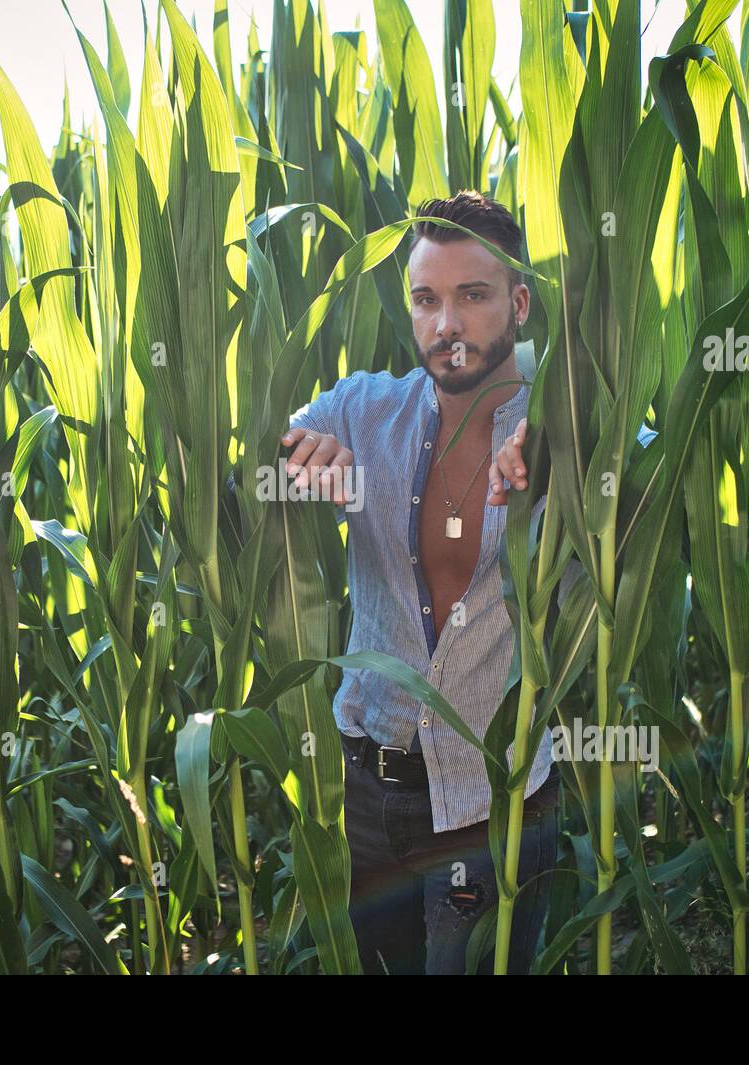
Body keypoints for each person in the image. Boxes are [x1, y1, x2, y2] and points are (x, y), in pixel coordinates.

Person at [281, 190, 559, 975]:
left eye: (472, 296)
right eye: (427, 299)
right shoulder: (365, 412)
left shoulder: (565, 428)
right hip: (372, 798)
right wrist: (300, 455)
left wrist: (578, 445)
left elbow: (656, 457)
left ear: (520, 302)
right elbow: (263, 449)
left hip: (495, 803)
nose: (448, 325)